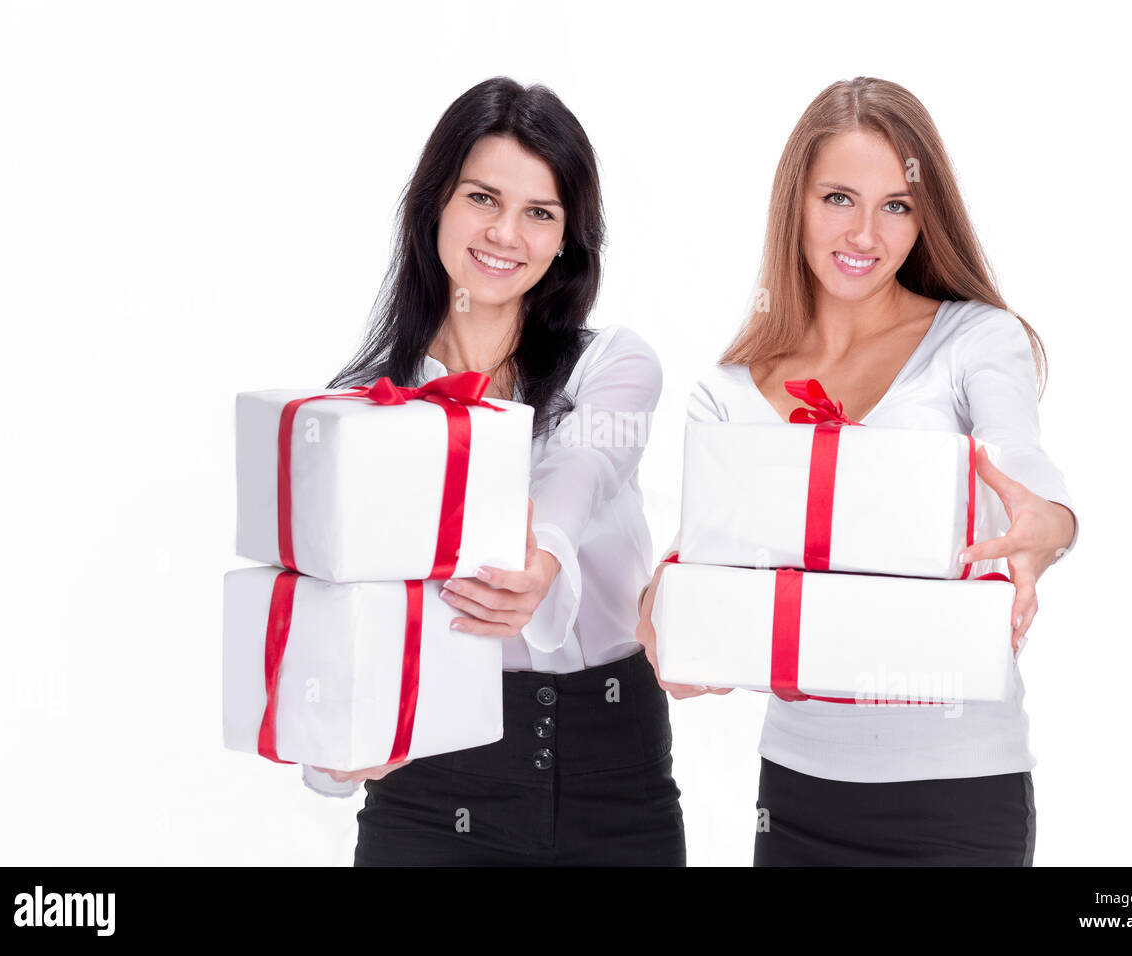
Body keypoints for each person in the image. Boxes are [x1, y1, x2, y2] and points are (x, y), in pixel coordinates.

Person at [637, 76, 1078, 866]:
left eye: (896, 205)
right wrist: (665, 612)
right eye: (838, 198)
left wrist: (1045, 523)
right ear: (795, 203)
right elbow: (706, 562)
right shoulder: (728, 394)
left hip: (959, 794)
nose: (864, 234)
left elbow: (1020, 460)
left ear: (924, 217)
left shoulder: (974, 341)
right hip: (798, 794)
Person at [308, 77, 684, 866]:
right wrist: (337, 748)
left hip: (616, 776)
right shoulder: (364, 410)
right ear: (435, 204)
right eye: (483, 197)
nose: (506, 233)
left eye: (540, 213)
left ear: (565, 239)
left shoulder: (614, 365)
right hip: (434, 784)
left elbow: (584, 466)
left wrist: (540, 558)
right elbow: (338, 612)